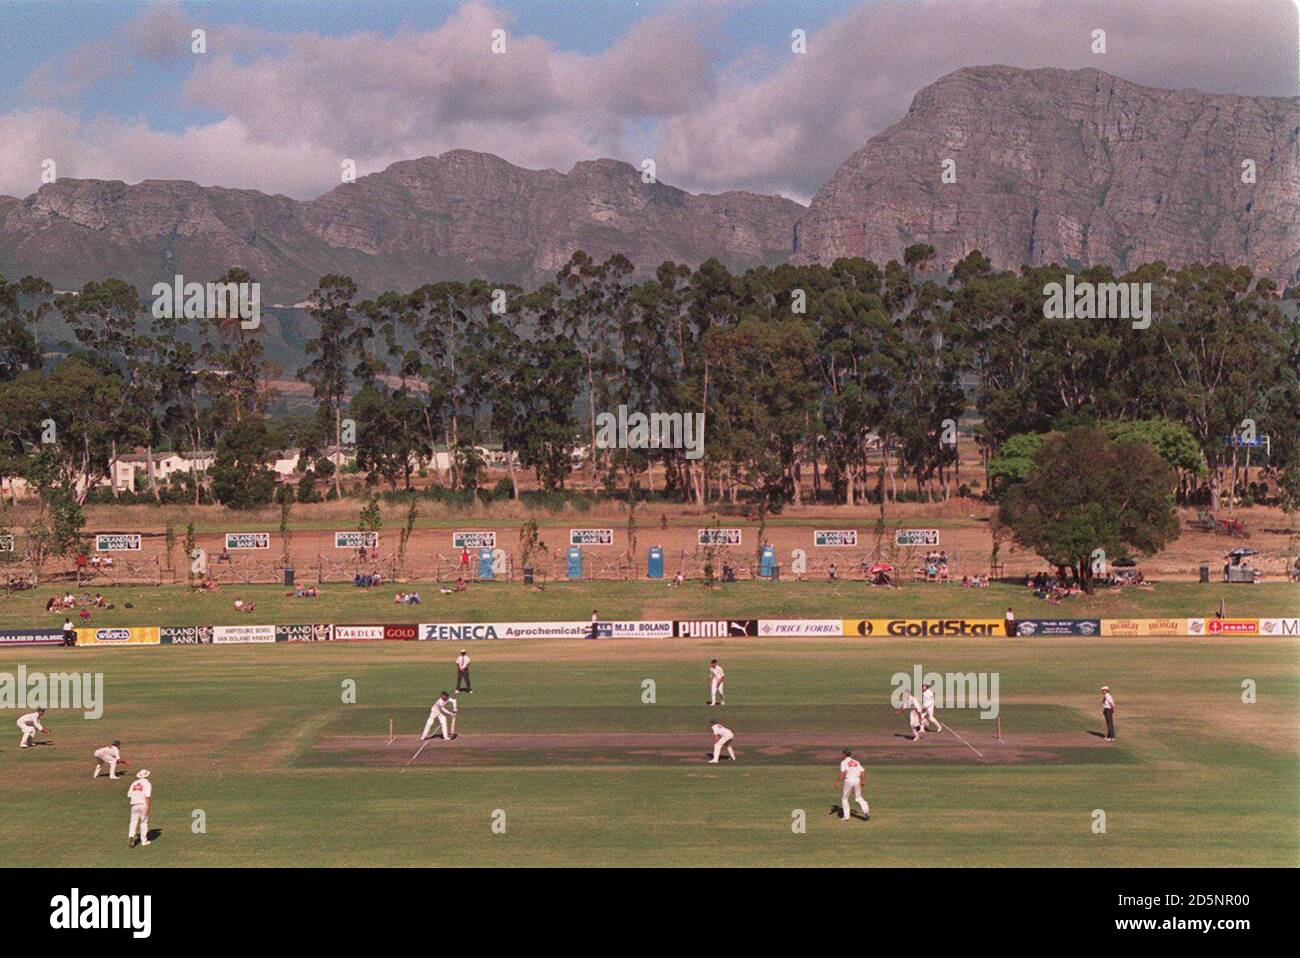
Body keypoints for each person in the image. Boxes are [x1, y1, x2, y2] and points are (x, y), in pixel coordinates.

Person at [836, 748, 870, 821]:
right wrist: (863, 781)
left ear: (844, 754)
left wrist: (837, 782)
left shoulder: (843, 762)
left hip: (849, 780)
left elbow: (841, 774)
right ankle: (866, 811)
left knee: (844, 798)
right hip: (857, 779)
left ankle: (846, 817)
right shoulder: (856, 762)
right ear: (850, 754)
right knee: (858, 797)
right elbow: (862, 772)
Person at [127, 769, 152, 848]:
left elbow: (129, 795)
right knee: (144, 822)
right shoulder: (147, 783)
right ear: (146, 775)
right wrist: (148, 807)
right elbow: (147, 796)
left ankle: (131, 836)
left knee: (133, 822)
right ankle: (144, 841)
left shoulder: (134, 783)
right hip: (143, 804)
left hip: (134, 804)